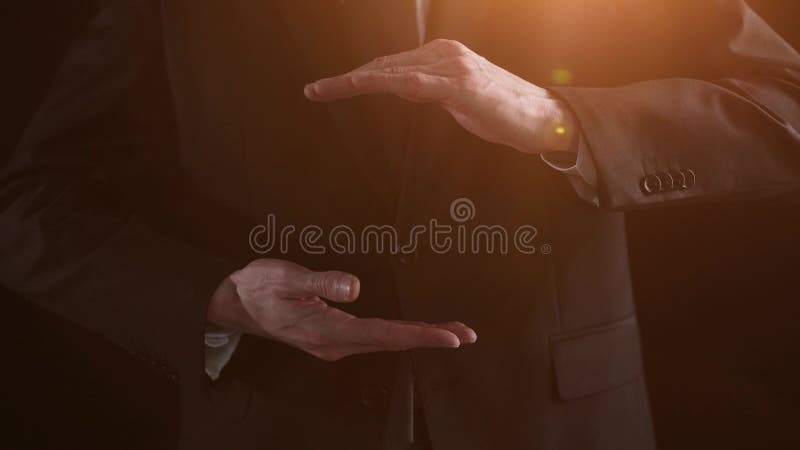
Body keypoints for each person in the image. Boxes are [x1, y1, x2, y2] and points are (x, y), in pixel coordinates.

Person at [2, 0, 798, 449]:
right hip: (277, 426)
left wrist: (557, 119)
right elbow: (28, 201)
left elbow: (785, 102)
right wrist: (216, 298)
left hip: (567, 426)